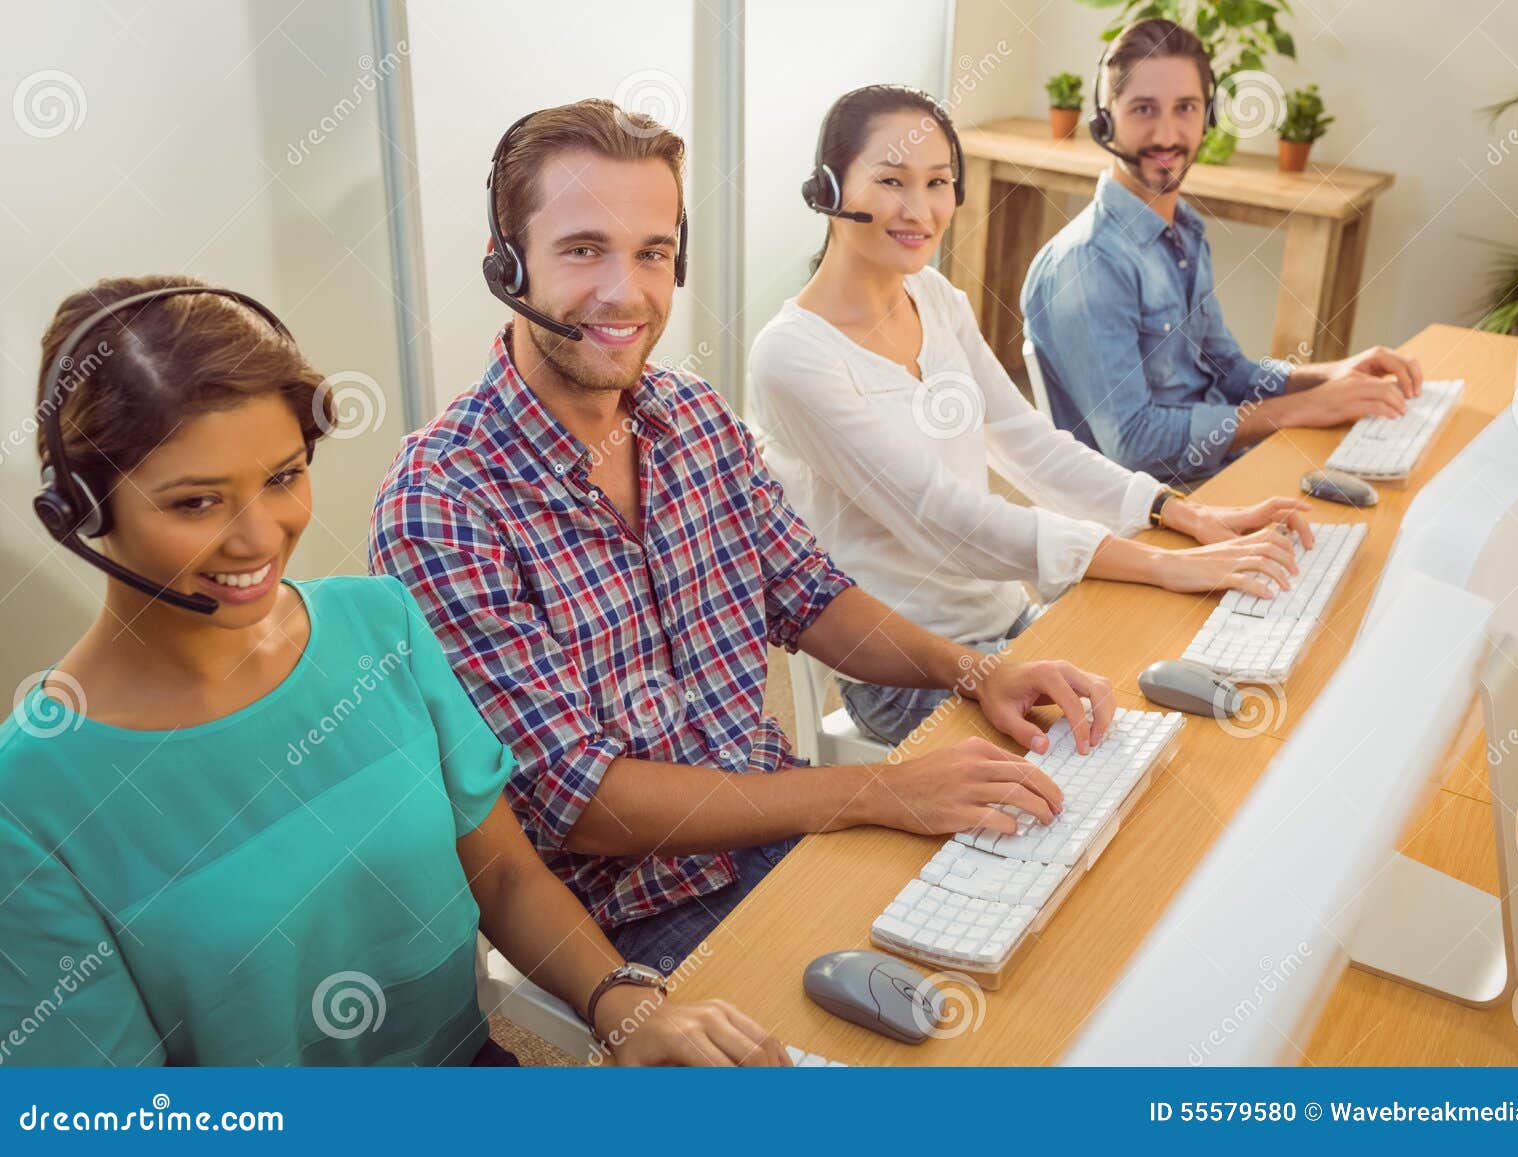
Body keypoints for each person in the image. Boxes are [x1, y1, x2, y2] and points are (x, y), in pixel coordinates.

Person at [370, 100, 1120, 973]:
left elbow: (811, 595)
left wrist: (976, 669)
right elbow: (583, 803)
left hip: (793, 825)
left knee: (1061, 921)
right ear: (509, 264)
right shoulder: (442, 498)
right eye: (583, 250)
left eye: (652, 252)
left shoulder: (691, 414)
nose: (625, 291)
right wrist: (874, 790)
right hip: (643, 912)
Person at [0, 274, 787, 1066]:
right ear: (82, 509)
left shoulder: (378, 625)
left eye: (282, 476)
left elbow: (508, 876)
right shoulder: (29, 801)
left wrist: (626, 1005)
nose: (258, 537)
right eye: (197, 502)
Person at [746, 83, 1314, 746]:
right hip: (907, 673)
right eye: (891, 181)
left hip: (1012, 623)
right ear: (829, 189)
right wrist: (1161, 563)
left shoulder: (934, 298)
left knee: (1186, 711)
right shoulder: (792, 356)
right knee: (1099, 757)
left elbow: (1028, 446)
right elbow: (941, 520)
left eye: (938, 183)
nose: (919, 209)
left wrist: (1182, 514)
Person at [1021, 18, 1424, 486]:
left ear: (1207, 117)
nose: (1167, 134)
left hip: (1221, 470)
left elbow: (1229, 373)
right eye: (1144, 109)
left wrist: (1332, 375)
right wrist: (1302, 409)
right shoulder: (1088, 263)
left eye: (1186, 108)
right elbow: (1135, 445)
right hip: (1163, 508)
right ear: (1105, 121)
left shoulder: (1183, 231)